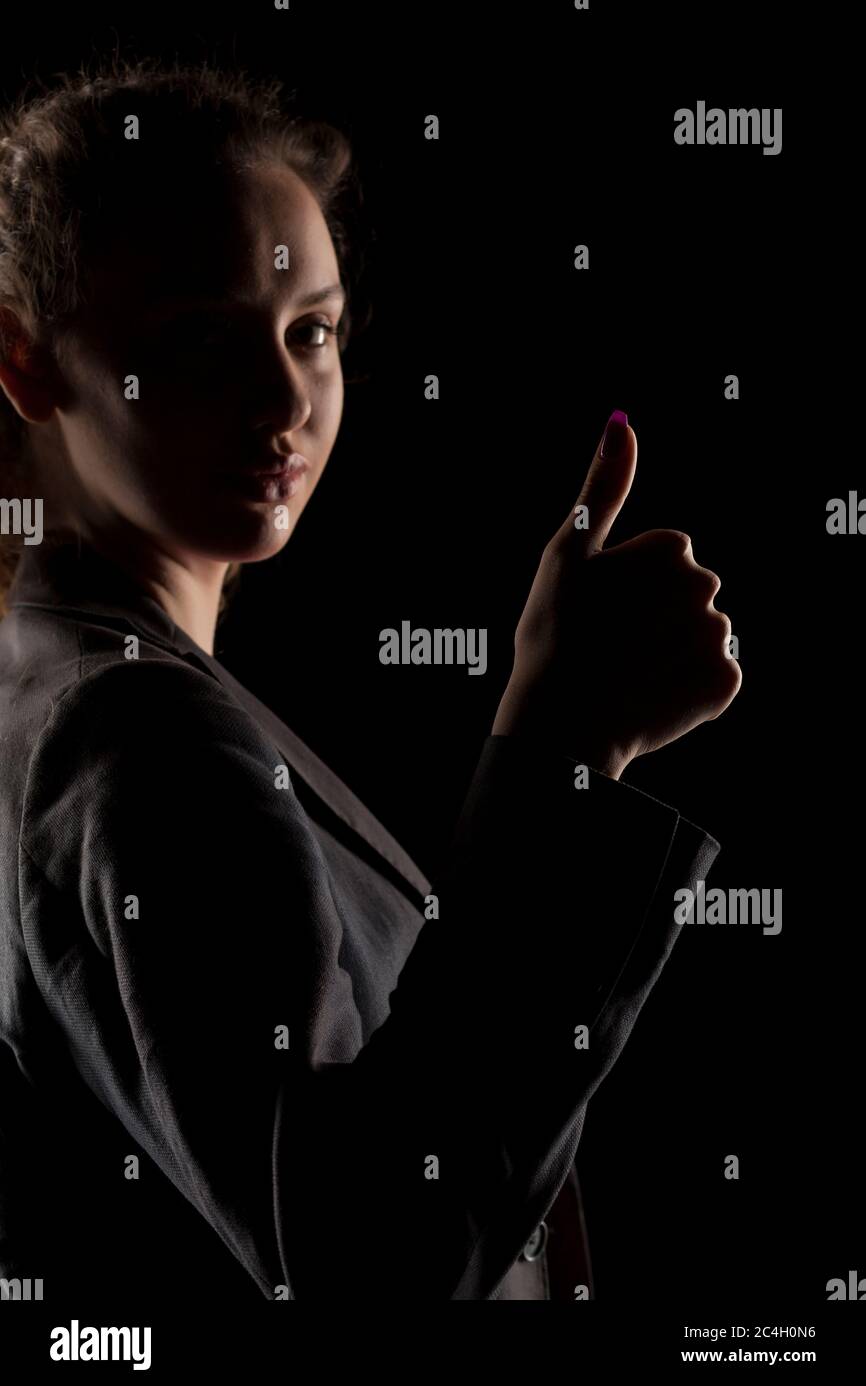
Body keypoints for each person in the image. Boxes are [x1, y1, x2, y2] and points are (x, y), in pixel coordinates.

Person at [0, 60, 740, 1303]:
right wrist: (560, 744)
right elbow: (366, 1255)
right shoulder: (134, 731)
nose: (283, 397)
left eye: (312, 332)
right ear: (27, 365)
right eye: (201, 339)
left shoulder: (80, 684)